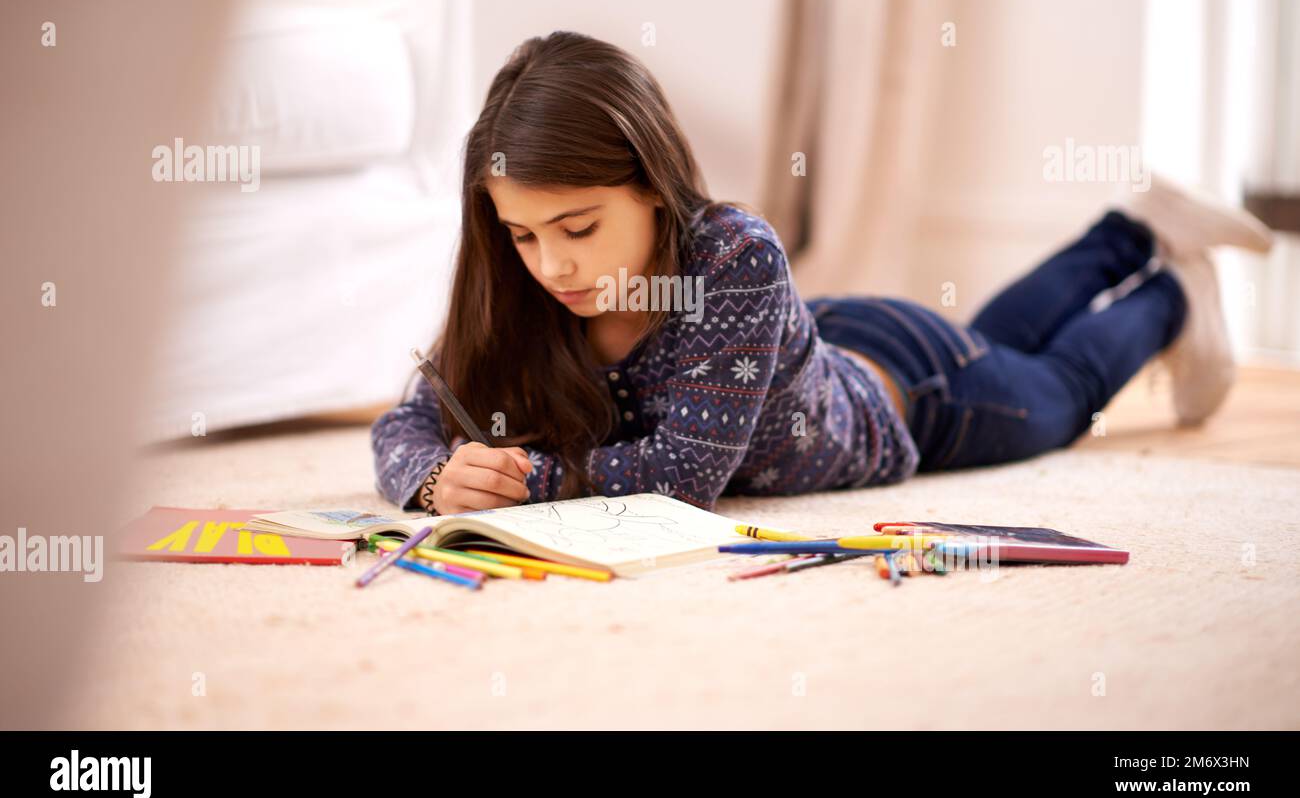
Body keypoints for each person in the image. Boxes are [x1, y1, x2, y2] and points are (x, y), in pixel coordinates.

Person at [370, 31, 1275, 515]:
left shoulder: (734, 253)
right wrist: (431, 478)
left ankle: (1170, 290)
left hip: (918, 394)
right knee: (1001, 335)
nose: (551, 264)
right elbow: (404, 423)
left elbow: (685, 476)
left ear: (655, 186)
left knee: (1066, 389)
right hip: (823, 343)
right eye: (523, 235)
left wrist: (526, 478)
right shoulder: (522, 280)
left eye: (576, 225)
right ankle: (1133, 225)